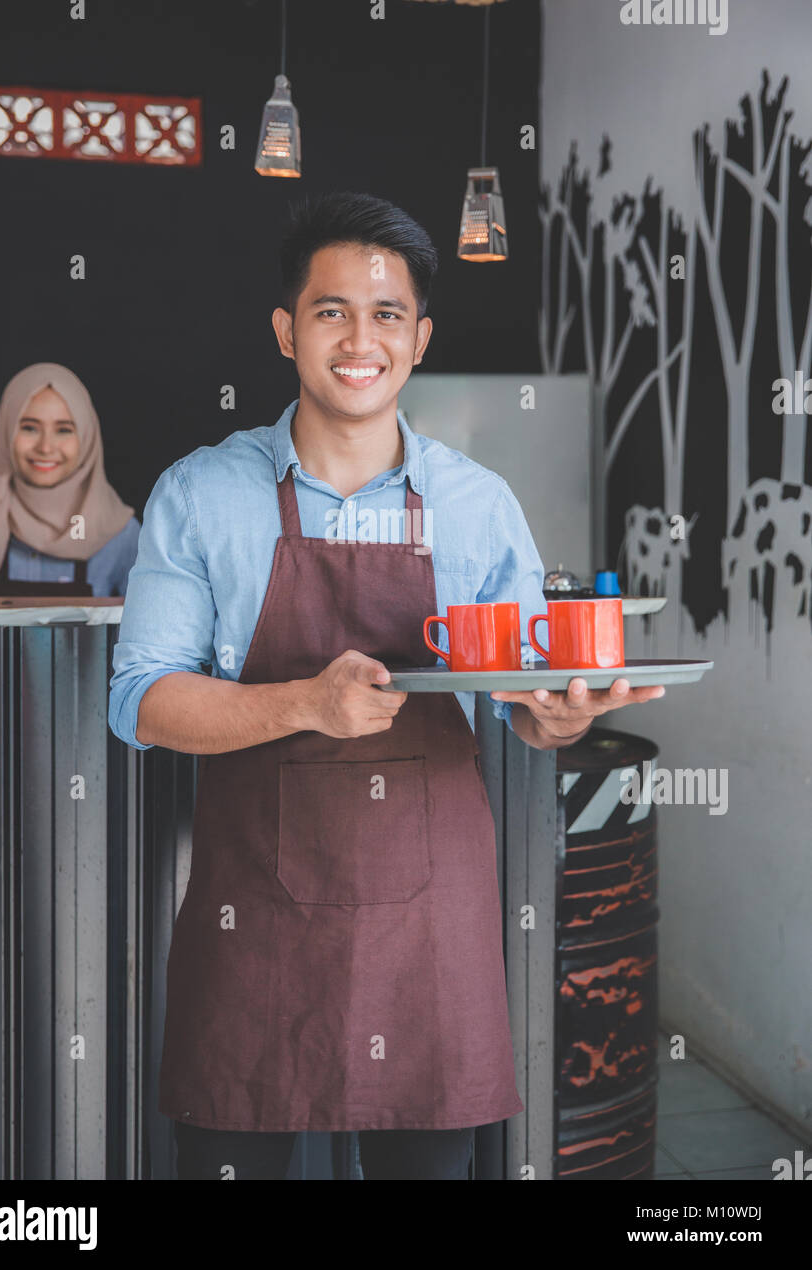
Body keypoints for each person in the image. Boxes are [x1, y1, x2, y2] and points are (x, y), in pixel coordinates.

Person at [108, 190, 665, 1181]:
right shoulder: (200, 492)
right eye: (331, 311)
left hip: (427, 933)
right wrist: (303, 705)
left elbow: (526, 700)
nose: (359, 337)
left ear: (418, 339)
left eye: (386, 314)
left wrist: (557, 719)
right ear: (286, 330)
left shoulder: (478, 505)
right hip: (255, 928)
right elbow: (142, 701)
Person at [0, 362, 140, 598]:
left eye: (64, 430)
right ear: (6, 431)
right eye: (29, 428)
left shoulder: (121, 534)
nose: (46, 447)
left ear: (87, 438)